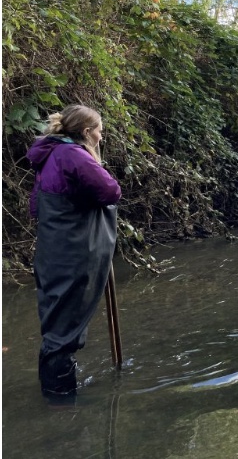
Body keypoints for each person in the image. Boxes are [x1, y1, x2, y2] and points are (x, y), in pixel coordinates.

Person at [27, 105, 122, 400]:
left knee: (57, 324)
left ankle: (55, 401)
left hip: (52, 253)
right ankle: (60, 403)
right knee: (62, 334)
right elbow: (110, 191)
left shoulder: (51, 154)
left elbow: (35, 207)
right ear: (86, 132)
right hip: (73, 253)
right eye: (100, 130)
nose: (102, 136)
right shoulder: (73, 155)